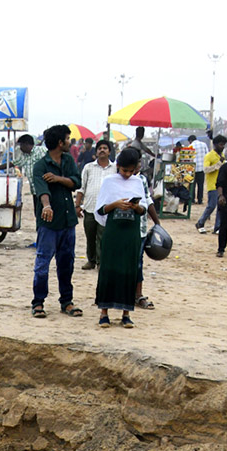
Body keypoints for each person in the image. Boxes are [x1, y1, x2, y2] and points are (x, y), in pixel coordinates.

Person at [30, 124, 81, 318]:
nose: (70, 142)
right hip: (49, 223)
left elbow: (76, 182)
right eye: (68, 139)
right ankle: (38, 302)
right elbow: (42, 189)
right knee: (43, 263)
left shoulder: (68, 160)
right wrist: (47, 206)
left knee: (67, 263)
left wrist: (58, 179)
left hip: (68, 221)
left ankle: (66, 302)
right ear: (60, 142)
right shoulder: (40, 165)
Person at [93, 147, 147, 329]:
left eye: (131, 171)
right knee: (109, 269)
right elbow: (100, 210)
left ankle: (126, 313)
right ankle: (104, 312)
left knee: (128, 271)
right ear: (118, 166)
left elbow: (144, 209)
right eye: (124, 171)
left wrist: (135, 206)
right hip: (113, 232)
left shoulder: (138, 182)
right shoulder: (109, 181)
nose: (127, 174)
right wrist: (116, 204)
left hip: (131, 233)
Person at [75, 138, 114, 270]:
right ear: (96, 152)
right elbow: (82, 188)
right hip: (90, 208)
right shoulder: (88, 167)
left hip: (107, 209)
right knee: (90, 236)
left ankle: (101, 262)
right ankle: (91, 260)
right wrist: (77, 205)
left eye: (105, 148)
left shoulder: (115, 169)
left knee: (103, 238)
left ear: (109, 152)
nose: (102, 150)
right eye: (99, 148)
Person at [194, 135, 227, 234]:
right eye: (221, 144)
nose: (222, 147)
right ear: (215, 144)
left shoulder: (222, 156)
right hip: (212, 185)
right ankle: (200, 222)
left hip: (221, 185)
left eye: (223, 145)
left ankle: (217, 227)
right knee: (212, 206)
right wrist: (217, 165)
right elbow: (206, 169)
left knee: (220, 207)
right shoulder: (209, 156)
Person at [188, 134, 209, 204]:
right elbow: (207, 155)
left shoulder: (190, 146)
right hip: (202, 168)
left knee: (192, 185)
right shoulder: (204, 145)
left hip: (192, 169)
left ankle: (192, 199)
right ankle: (200, 200)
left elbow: (188, 158)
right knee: (200, 185)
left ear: (190, 141)